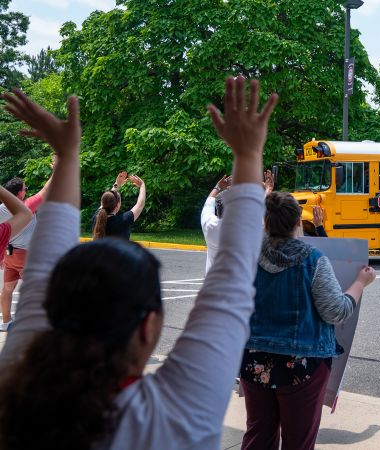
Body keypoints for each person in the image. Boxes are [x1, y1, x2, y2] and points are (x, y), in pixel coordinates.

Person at [0, 77, 279, 449]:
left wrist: (67, 157)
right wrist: (248, 155)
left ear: (51, 306)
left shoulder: (16, 379)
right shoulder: (174, 416)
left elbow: (231, 277)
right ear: (148, 328)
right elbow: (235, 273)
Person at [239, 190, 375, 450]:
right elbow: (336, 311)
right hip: (302, 366)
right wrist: (359, 283)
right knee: (298, 440)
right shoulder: (314, 261)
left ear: (265, 223)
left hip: (254, 362)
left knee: (258, 434)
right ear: (298, 223)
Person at [0, 164, 53, 331]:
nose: (27, 190)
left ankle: (6, 321)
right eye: (25, 188)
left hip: (9, 254)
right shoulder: (27, 205)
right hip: (26, 256)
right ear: (19, 193)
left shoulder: (1, 209)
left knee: (8, 289)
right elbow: (46, 190)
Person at [90, 173, 146, 240]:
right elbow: (140, 204)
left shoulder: (96, 218)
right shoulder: (123, 220)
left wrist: (116, 184)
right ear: (117, 206)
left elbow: (107, 200)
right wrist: (142, 185)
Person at [200, 175, 232, 274]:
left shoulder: (209, 224)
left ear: (217, 207)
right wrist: (267, 190)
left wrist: (218, 187)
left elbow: (208, 202)